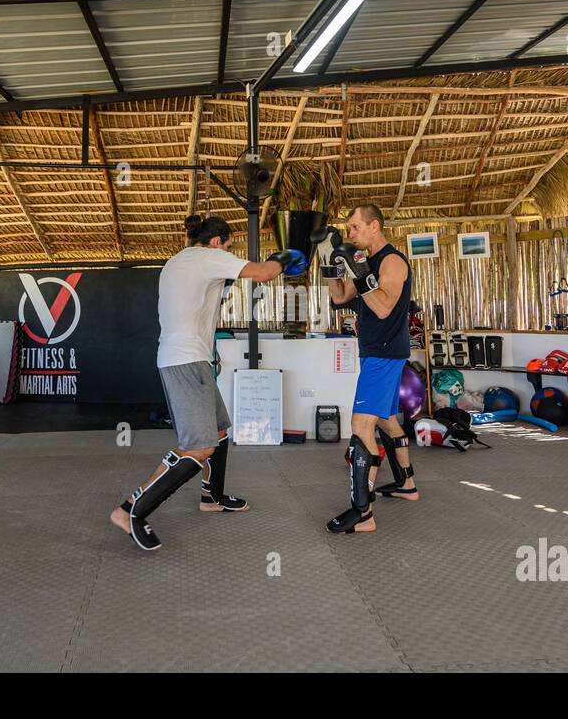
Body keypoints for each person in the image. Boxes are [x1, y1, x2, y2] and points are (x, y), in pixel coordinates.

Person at [109, 215, 305, 551]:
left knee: (219, 430)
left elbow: (202, 301)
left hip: (190, 358)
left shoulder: (179, 262)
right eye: (227, 247)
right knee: (198, 447)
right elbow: (263, 273)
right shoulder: (207, 257)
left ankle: (210, 497)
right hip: (185, 361)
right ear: (217, 242)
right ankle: (130, 511)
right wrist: (286, 256)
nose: (228, 253)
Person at [320, 203, 417, 535]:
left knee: (361, 426)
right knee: (387, 420)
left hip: (385, 353)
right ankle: (406, 484)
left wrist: (360, 273)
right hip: (374, 351)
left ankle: (363, 513)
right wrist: (328, 262)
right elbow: (339, 298)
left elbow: (384, 307)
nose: (350, 233)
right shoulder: (364, 260)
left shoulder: (392, 261)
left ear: (374, 225)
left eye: (355, 227)